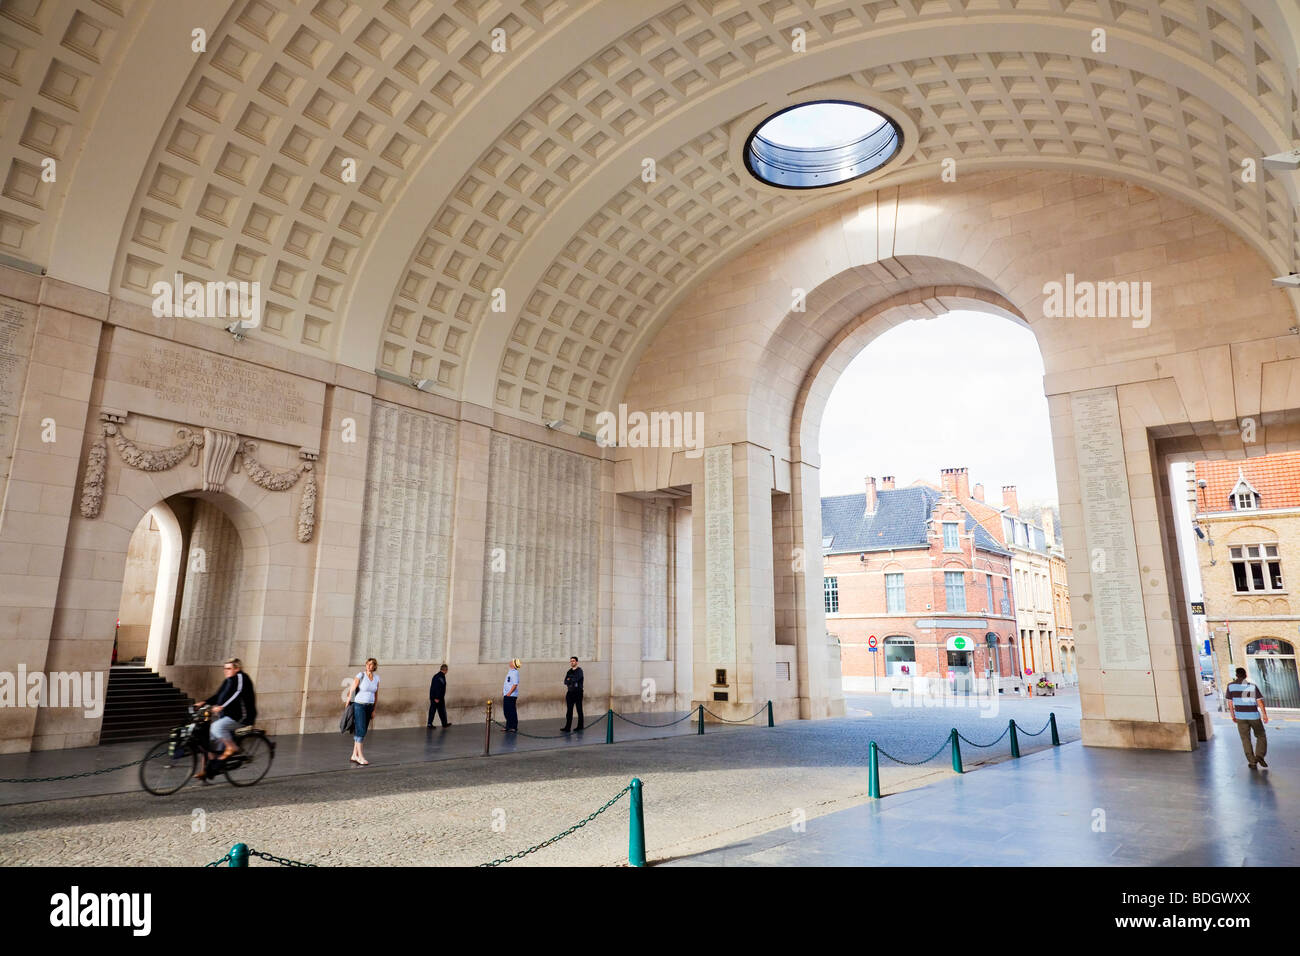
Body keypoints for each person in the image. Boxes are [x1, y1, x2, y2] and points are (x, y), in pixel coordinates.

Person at [197, 658, 256, 780]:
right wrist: (203, 702)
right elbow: (218, 695)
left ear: (237, 669)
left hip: (242, 717)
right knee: (207, 740)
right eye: (224, 668)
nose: (225, 671)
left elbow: (237, 693)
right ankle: (207, 769)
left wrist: (222, 706)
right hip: (227, 716)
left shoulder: (241, 678)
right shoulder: (228, 681)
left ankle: (231, 747)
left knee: (216, 727)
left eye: (229, 668)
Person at [1226, 666, 1269, 769]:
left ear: (1236, 675)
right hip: (1253, 716)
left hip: (1240, 716)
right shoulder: (1252, 686)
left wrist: (1233, 715)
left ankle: (1252, 761)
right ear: (1245, 675)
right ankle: (1259, 756)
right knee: (1261, 735)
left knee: (1245, 739)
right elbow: (1259, 701)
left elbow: (1230, 703)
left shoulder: (1230, 686)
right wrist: (1264, 714)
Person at [349, 658, 380, 765]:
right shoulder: (360, 675)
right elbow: (352, 690)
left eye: (371, 664)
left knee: (361, 730)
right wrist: (349, 705)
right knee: (361, 730)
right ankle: (360, 756)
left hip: (369, 706)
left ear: (375, 666)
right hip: (359, 705)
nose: (369, 666)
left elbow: (376, 695)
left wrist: (374, 709)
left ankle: (354, 754)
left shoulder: (377, 678)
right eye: (368, 664)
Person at [561, 656, 584, 732]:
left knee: (579, 710)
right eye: (571, 661)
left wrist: (570, 679)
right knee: (569, 711)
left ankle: (580, 726)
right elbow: (565, 681)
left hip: (578, 693)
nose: (572, 662)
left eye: (573, 661)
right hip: (570, 693)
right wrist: (571, 679)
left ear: (577, 662)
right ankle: (567, 727)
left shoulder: (579, 671)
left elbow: (576, 679)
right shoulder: (569, 671)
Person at [428, 664, 451, 728]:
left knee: (438, 711)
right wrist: (437, 697)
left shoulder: (438, 675)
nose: (447, 671)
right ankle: (430, 724)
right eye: (447, 670)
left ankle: (443, 723)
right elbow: (437, 688)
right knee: (436, 711)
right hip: (437, 698)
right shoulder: (440, 677)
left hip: (437, 697)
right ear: (445, 670)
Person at [502, 658, 521, 732]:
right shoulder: (510, 671)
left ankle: (513, 727)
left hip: (511, 695)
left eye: (512, 661)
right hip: (507, 694)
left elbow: (515, 684)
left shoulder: (515, 673)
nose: (510, 662)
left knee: (511, 711)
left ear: (513, 664)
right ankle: (508, 726)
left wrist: (509, 693)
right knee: (506, 711)